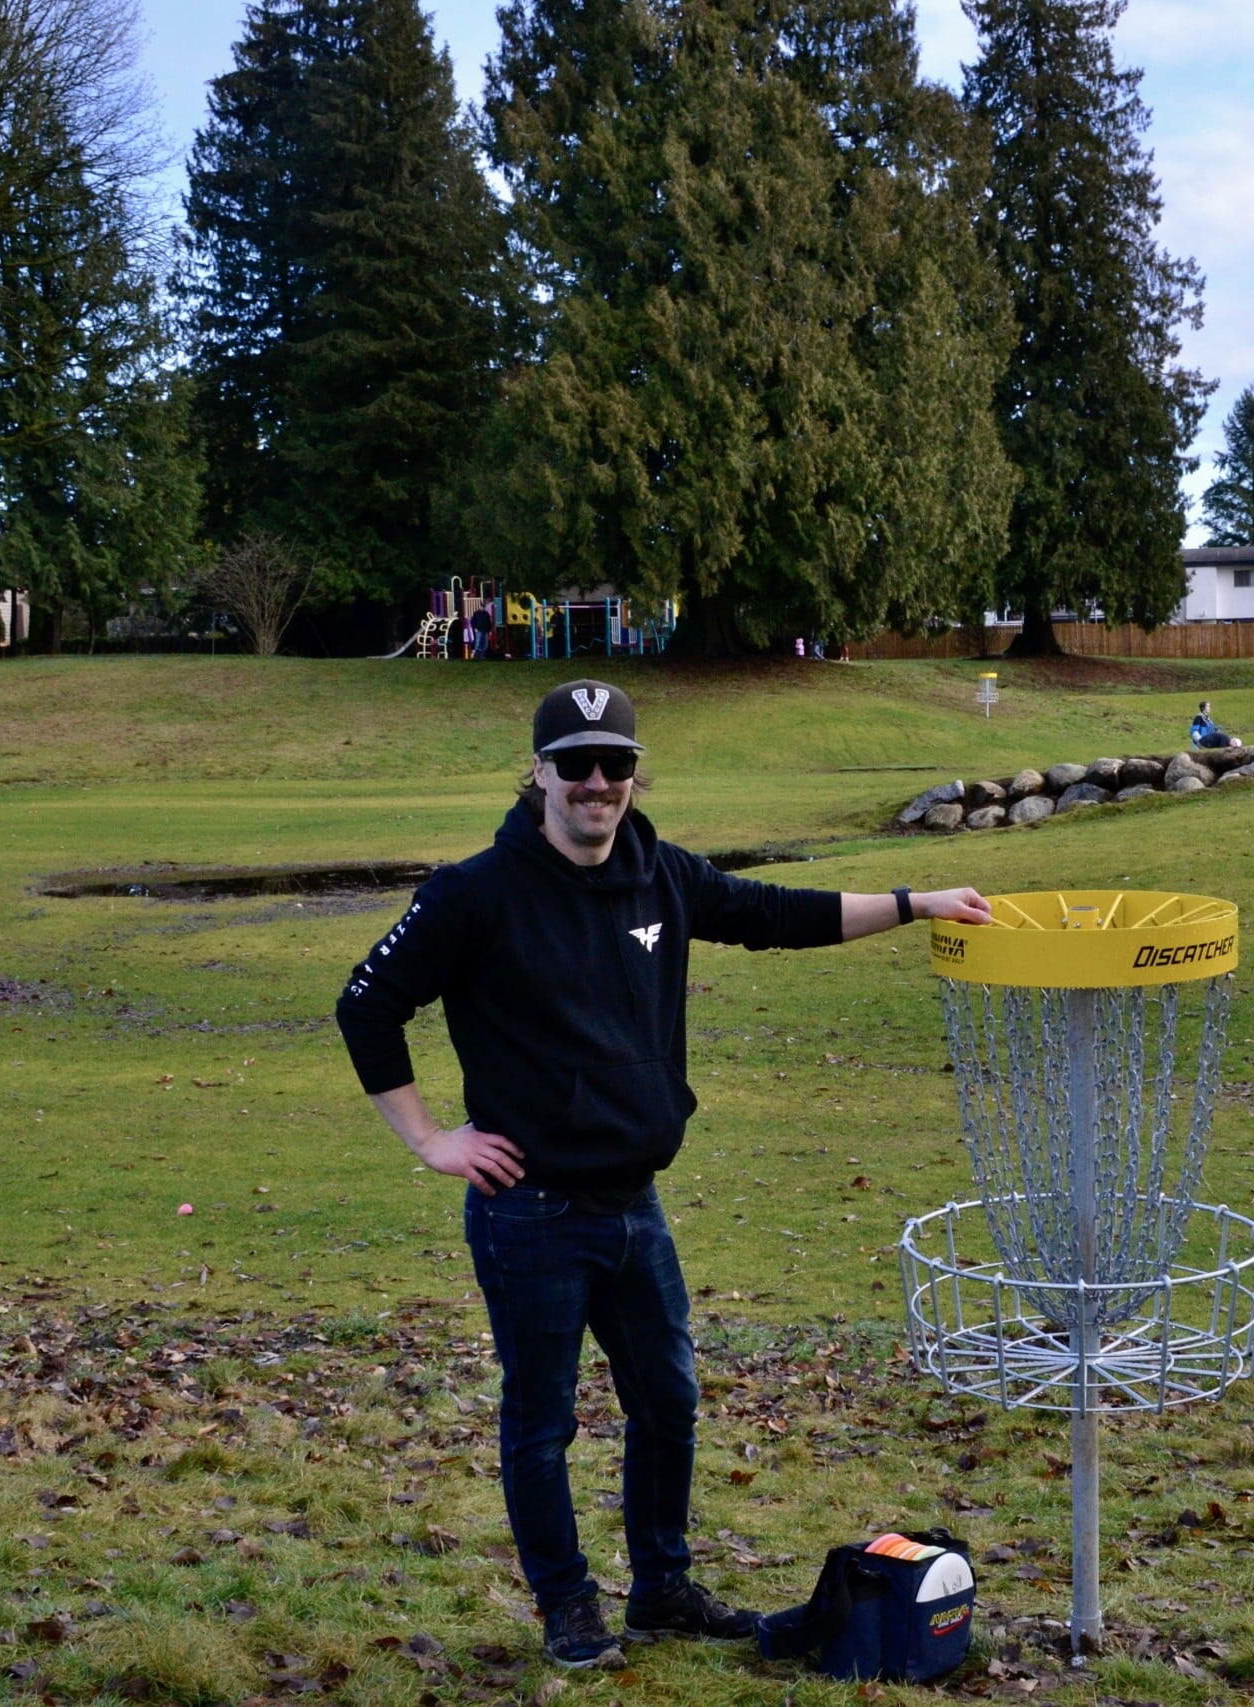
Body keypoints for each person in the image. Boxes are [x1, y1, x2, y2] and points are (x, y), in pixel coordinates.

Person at [335, 679, 990, 1671]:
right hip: (532, 1213)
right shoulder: (473, 893)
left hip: (636, 1203)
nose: (597, 784)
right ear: (540, 774)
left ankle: (662, 1588)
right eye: (576, 766)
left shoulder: (661, 875)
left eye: (616, 765)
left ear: (636, 776)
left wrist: (916, 904)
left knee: (668, 1402)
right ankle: (567, 1606)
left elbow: (777, 913)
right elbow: (366, 1006)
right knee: (541, 1422)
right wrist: (432, 1140)